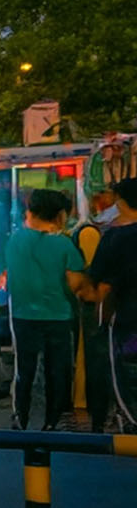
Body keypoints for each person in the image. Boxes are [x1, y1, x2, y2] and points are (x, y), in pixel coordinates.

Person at [4, 188, 90, 431]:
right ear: (60, 215)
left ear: (31, 211)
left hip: (22, 315)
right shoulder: (64, 245)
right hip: (58, 316)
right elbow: (75, 284)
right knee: (58, 371)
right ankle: (52, 423)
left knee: (25, 369)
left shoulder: (15, 240)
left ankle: (20, 417)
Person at [85, 178, 137, 430]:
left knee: (121, 373)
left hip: (125, 318)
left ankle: (128, 422)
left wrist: (98, 314)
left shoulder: (114, 238)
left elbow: (101, 286)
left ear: (121, 202)